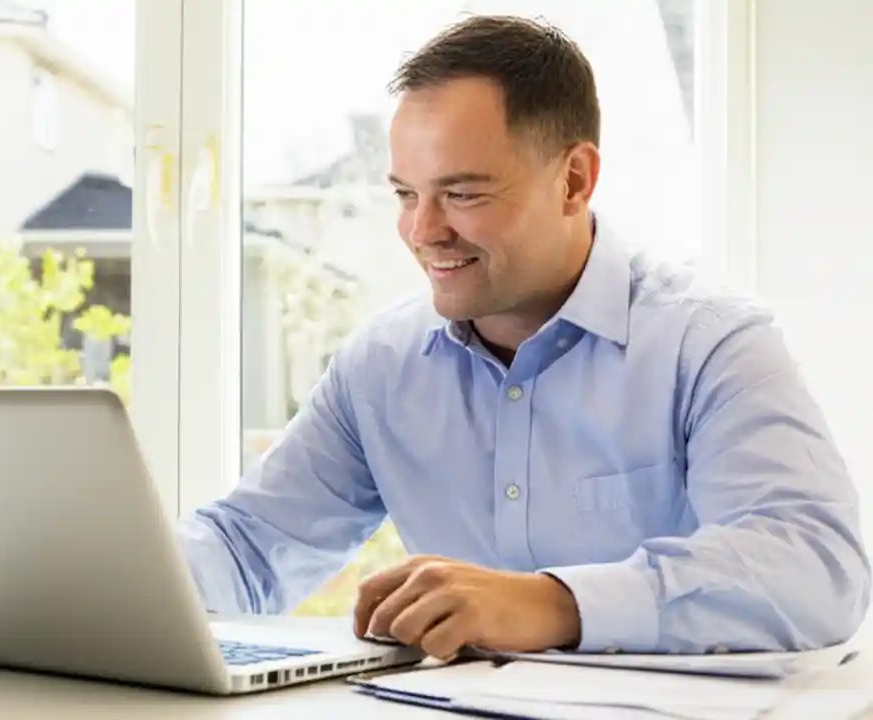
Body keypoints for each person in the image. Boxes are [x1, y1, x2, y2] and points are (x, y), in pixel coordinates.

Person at [177, 15, 870, 659]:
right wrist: (94, 589)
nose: (422, 232)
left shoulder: (710, 344)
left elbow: (817, 569)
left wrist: (556, 605)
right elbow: (248, 548)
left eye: (463, 194)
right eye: (405, 194)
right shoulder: (382, 365)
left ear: (574, 180)